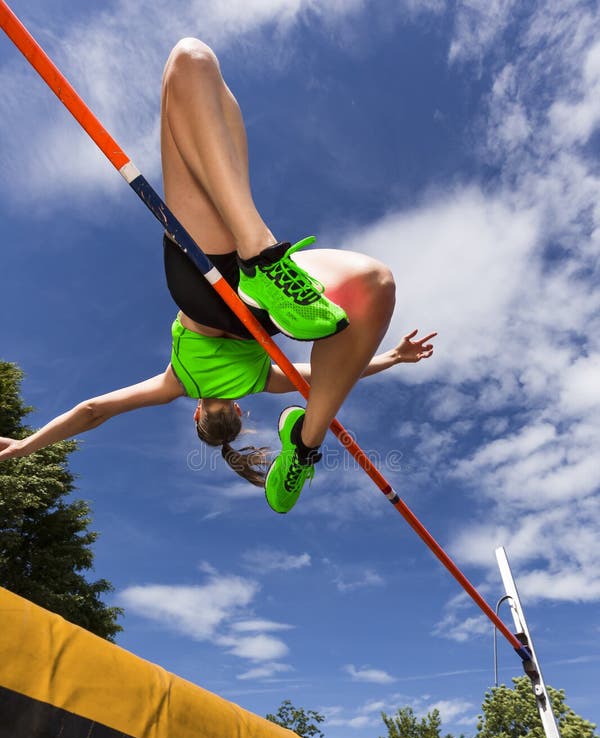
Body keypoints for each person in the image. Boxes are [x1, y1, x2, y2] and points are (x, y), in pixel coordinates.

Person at [0, 39, 436, 513]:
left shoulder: (255, 380)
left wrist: (393, 357)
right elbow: (93, 410)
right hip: (219, 290)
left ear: (238, 413)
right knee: (189, 61)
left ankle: (265, 272)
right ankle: (263, 267)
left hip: (232, 293)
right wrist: (25, 446)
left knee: (376, 284)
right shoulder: (183, 381)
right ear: (197, 414)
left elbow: (339, 373)